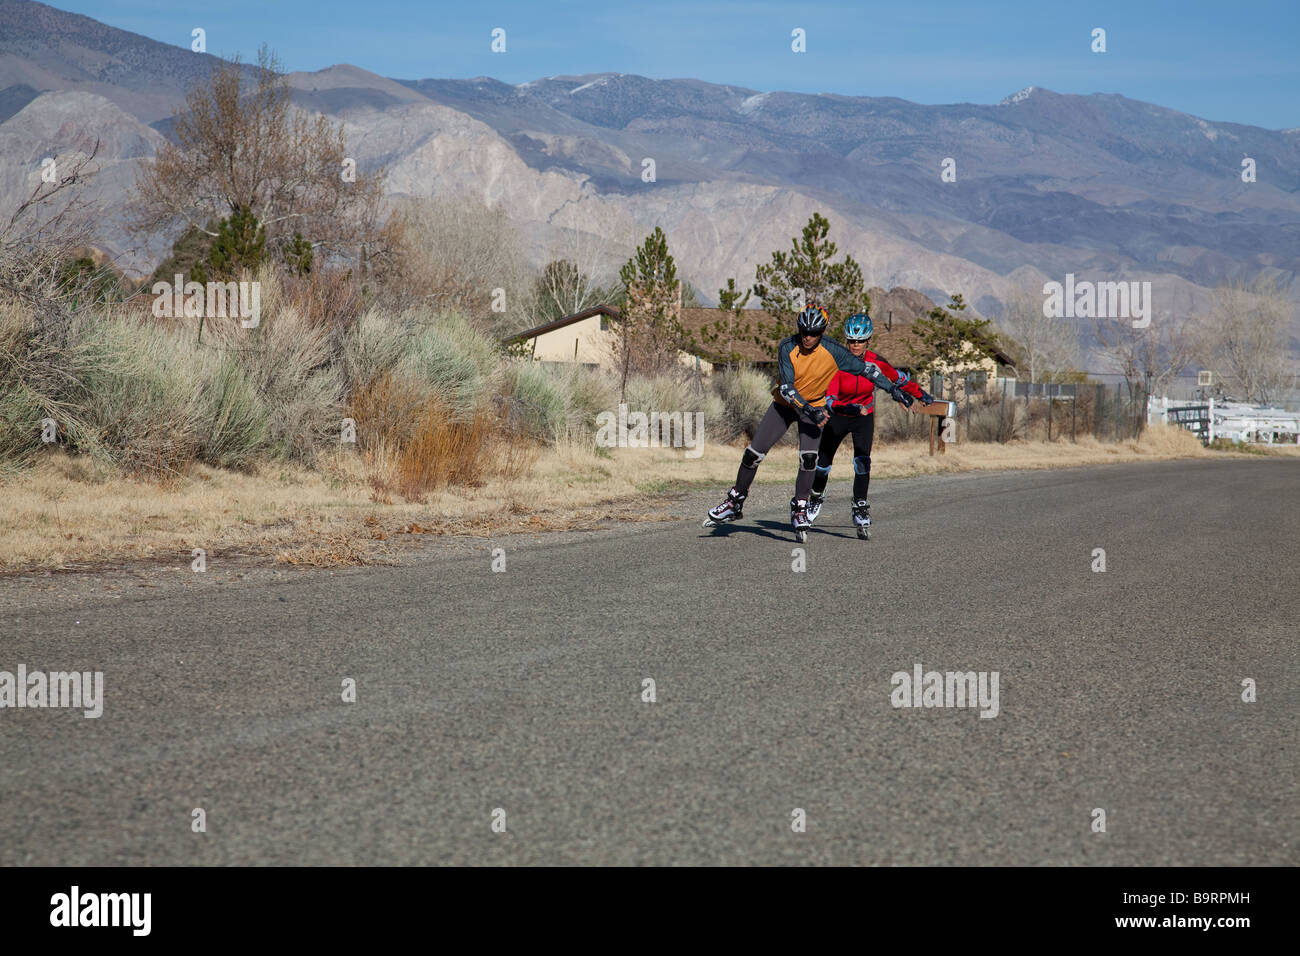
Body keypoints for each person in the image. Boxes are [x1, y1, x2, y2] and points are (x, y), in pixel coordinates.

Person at [704, 303, 915, 539]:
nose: (807, 337)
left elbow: (868, 371)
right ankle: (735, 501)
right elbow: (786, 387)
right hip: (785, 406)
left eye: (814, 333)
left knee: (809, 458)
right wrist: (807, 409)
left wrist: (894, 390)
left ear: (822, 332)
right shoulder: (787, 346)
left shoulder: (834, 351)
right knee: (754, 453)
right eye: (804, 331)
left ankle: (800, 508)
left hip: (814, 407)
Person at [805, 312, 934, 537]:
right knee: (823, 464)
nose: (855, 345)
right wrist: (848, 408)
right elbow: (830, 399)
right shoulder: (836, 362)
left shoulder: (876, 362)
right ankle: (816, 497)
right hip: (839, 414)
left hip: (864, 417)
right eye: (852, 341)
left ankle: (860, 506)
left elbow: (899, 379)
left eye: (860, 341)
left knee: (862, 461)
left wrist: (920, 394)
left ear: (869, 341)